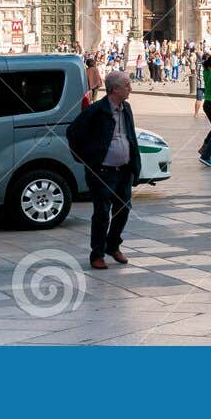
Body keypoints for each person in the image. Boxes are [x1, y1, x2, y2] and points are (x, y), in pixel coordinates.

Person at [66, 70, 140, 271]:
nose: (130, 89)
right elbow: (73, 132)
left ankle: (113, 245)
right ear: (114, 89)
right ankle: (97, 254)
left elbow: (130, 135)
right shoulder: (96, 110)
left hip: (124, 170)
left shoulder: (127, 109)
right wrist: (87, 158)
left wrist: (134, 163)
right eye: (126, 86)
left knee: (123, 209)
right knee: (102, 213)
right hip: (102, 171)